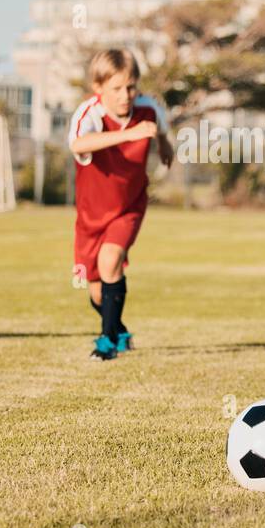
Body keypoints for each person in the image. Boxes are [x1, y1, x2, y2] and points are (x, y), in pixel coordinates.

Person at [68, 49, 173, 361]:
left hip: (129, 204)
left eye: (131, 87)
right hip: (91, 214)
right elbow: (78, 145)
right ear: (98, 87)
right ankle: (120, 330)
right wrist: (129, 135)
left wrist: (164, 146)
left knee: (110, 260)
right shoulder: (88, 115)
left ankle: (108, 342)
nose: (126, 96)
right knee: (97, 292)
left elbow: (161, 129)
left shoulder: (149, 108)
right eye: (116, 89)